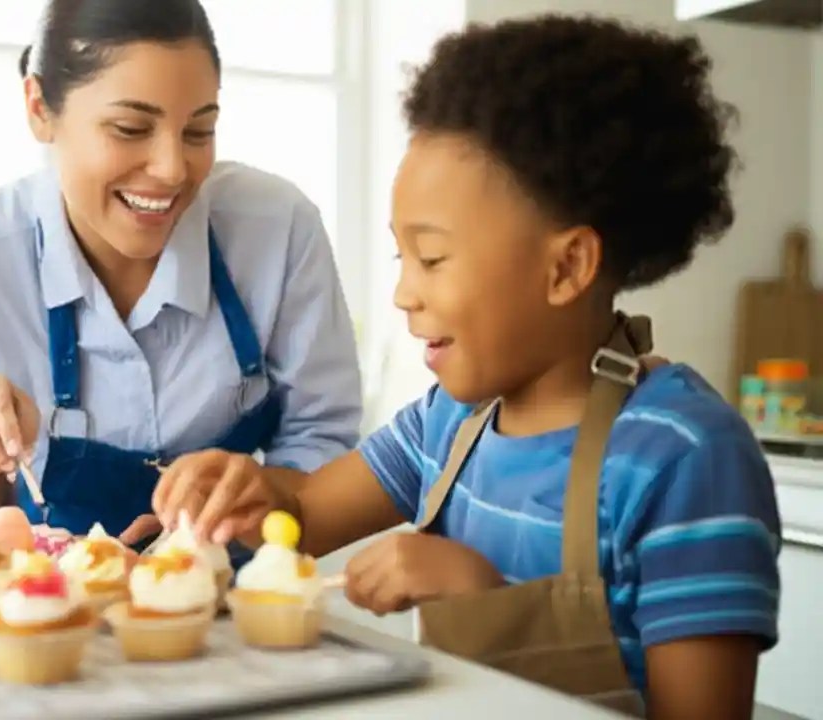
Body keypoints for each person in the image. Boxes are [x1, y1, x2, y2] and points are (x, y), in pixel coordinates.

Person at [151, 15, 779, 719]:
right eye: (402, 257)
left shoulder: (682, 458)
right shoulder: (451, 423)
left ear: (566, 266)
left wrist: (481, 599)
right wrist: (248, 490)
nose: (404, 293)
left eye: (435, 258)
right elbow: (303, 515)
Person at [0, 0, 362, 559]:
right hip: (42, 621)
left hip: (236, 611)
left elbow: (325, 450)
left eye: (199, 131)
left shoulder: (279, 230)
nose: (172, 169)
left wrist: (267, 494)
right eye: (130, 128)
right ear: (40, 108)